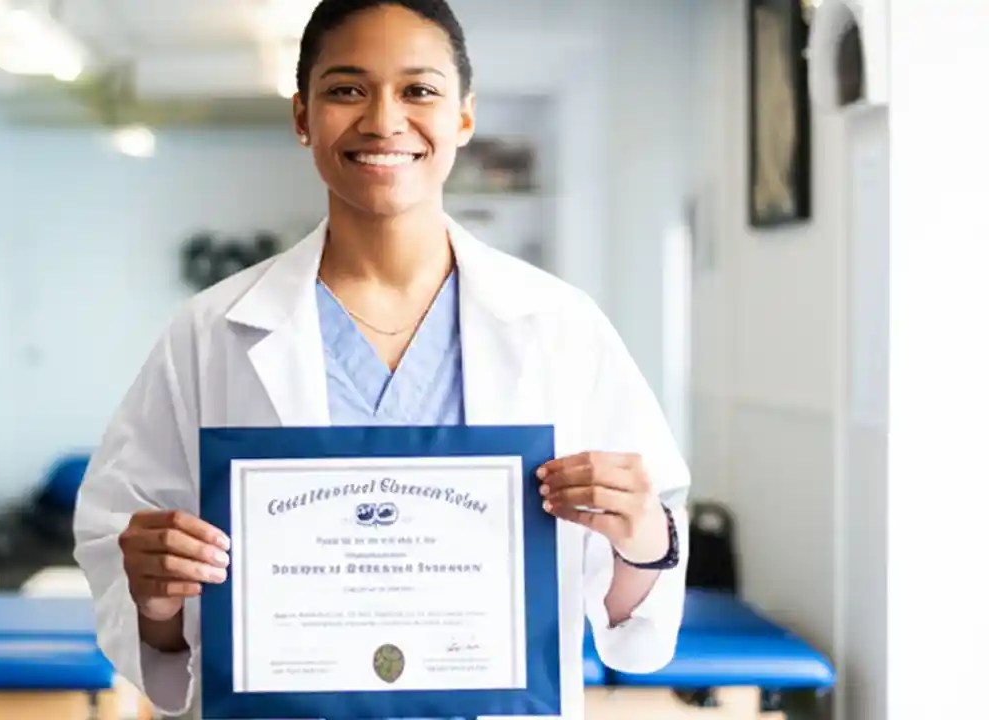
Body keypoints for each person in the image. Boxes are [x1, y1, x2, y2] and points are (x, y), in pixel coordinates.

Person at [73, 1, 691, 718]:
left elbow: (626, 621)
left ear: (463, 115)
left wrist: (643, 539)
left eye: (419, 90)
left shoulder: (559, 327)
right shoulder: (211, 333)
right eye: (346, 89)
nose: (383, 120)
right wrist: (151, 596)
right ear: (302, 116)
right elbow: (141, 599)